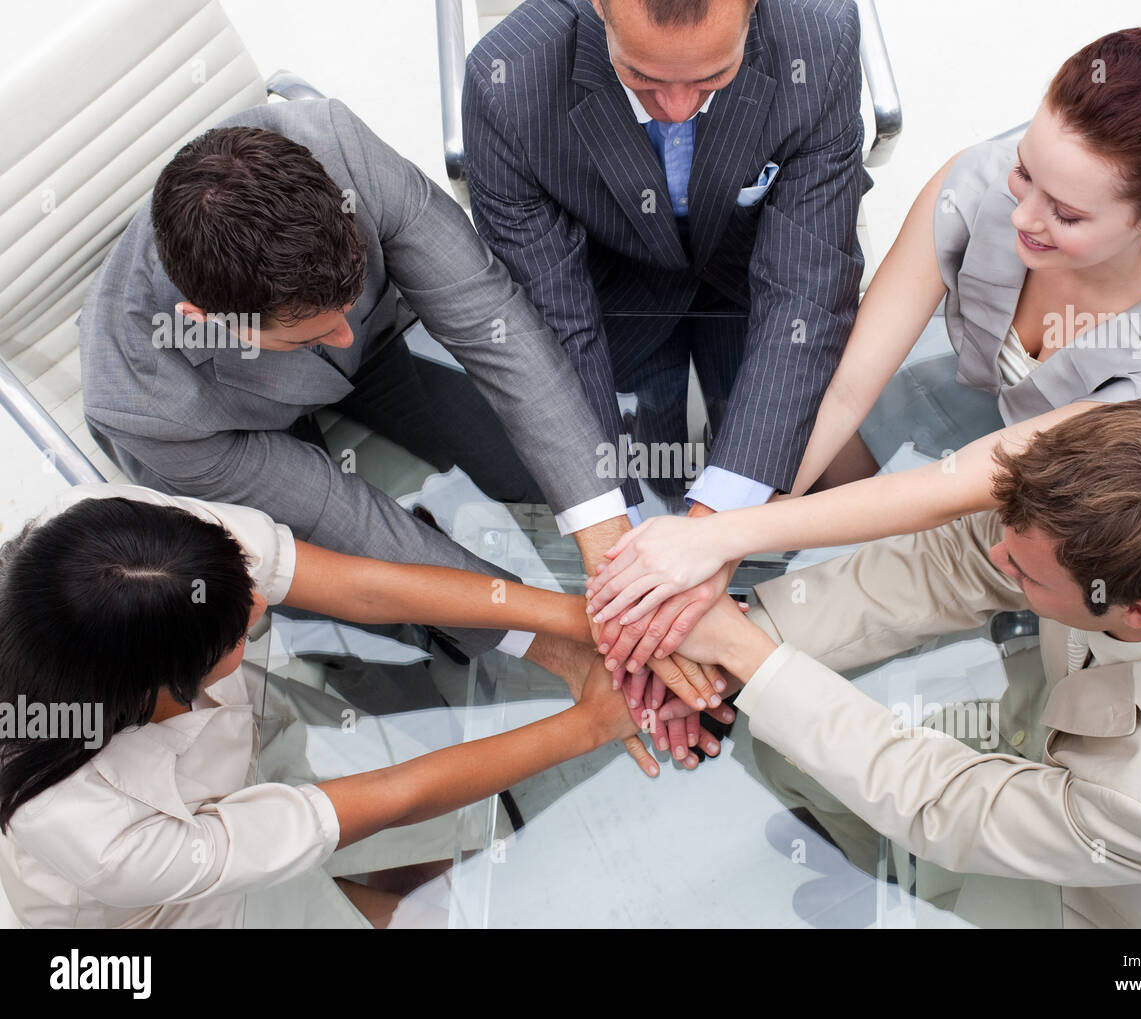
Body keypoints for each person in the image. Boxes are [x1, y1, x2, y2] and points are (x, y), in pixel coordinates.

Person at [585, 25, 1141, 658]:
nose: (1023, 215)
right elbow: (848, 383)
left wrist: (718, 540)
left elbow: (973, 479)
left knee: (872, 607)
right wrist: (724, 542)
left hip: (1103, 505)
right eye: (1026, 171)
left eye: (1065, 213)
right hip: (987, 409)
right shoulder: (979, 180)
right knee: (793, 462)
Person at [667, 401, 1141, 927]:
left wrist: (740, 652)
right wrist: (747, 634)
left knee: (856, 776)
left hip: (1108, 905)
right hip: (1046, 742)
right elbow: (956, 558)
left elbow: (942, 804)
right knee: (799, 750)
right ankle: (878, 869)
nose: (997, 560)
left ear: (1136, 612)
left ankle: (896, 883)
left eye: (1024, 574)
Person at [0, 484, 733, 928]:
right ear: (165, 690)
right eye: (239, 624)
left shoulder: (118, 544)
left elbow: (369, 587)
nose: (260, 600)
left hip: (256, 740)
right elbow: (387, 795)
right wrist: (589, 723)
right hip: (175, 906)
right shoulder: (99, 834)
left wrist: (589, 617)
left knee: (426, 853)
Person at [78, 97, 645, 668]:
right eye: (310, 334)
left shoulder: (339, 150)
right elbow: (339, 515)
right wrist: (547, 643)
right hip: (229, 428)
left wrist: (611, 548)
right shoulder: (146, 409)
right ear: (211, 322)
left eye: (345, 305)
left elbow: (489, 322)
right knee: (372, 638)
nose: (342, 335)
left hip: (384, 345)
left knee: (538, 474)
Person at [463, 0, 870, 653]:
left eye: (711, 79)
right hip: (612, 302)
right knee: (653, 463)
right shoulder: (507, 79)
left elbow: (804, 289)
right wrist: (629, 569)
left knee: (783, 460)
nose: (677, 108)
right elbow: (556, 319)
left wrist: (714, 532)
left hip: (760, 285)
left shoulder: (819, 34)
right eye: (643, 79)